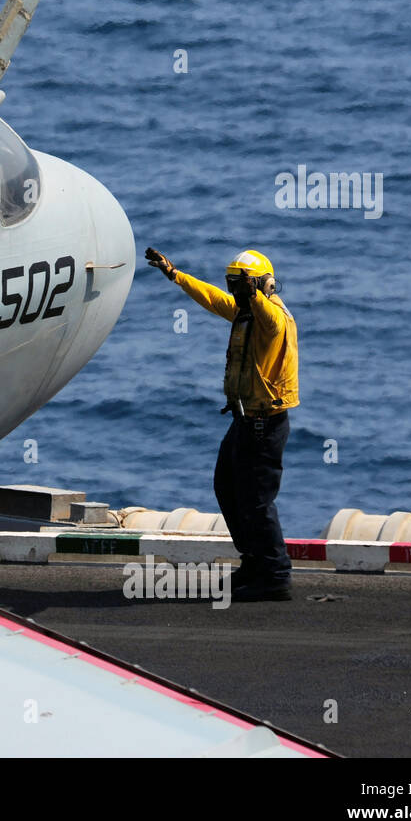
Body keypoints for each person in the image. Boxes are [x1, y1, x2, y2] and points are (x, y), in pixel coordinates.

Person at [145, 246, 299, 601]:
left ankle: (275, 575)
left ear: (264, 285)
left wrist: (255, 296)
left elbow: (268, 318)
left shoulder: (273, 317)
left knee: (258, 501)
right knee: (227, 487)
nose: (235, 292)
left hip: (265, 424)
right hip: (245, 421)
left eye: (243, 285)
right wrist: (175, 274)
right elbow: (212, 298)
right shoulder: (244, 312)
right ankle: (255, 562)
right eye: (234, 284)